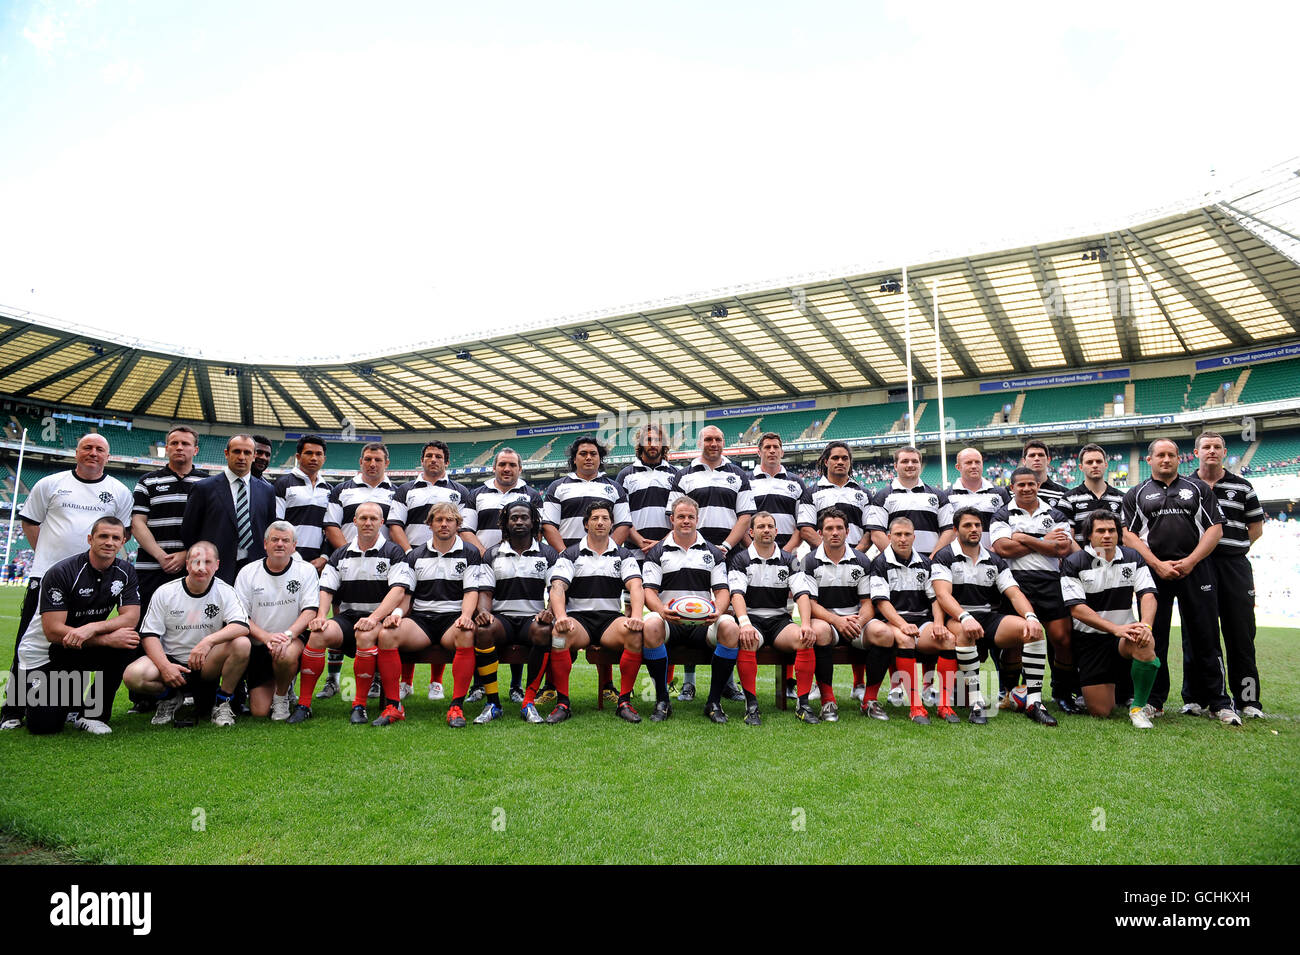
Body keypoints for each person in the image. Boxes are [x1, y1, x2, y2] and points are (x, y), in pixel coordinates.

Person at [1, 433, 134, 729]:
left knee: (77, 642)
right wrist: (48, 560)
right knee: (30, 641)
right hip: (49, 577)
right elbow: (31, 521)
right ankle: (12, 710)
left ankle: (74, 706)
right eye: (87, 447)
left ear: (108, 457)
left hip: (94, 580)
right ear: (76, 452)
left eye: (100, 449)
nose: (93, 453)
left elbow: (122, 532)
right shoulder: (50, 484)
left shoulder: (119, 491)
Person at [1122, 438, 1235, 724]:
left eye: (1171, 454)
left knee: (1206, 636)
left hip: (1196, 571)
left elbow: (1215, 530)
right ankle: (1154, 702)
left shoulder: (1198, 489)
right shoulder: (1136, 494)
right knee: (1153, 636)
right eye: (1160, 454)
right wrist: (1157, 564)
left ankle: (1219, 702)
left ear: (1178, 459)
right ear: (1149, 460)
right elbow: (1129, 536)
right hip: (1153, 573)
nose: (1166, 459)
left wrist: (1191, 561)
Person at [930, 506, 1057, 726]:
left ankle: (1035, 703)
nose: (974, 529)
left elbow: (1014, 593)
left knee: (1033, 632)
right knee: (964, 633)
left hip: (989, 617)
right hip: (958, 617)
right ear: (955, 529)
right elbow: (942, 595)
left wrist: (1031, 616)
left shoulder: (995, 559)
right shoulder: (944, 556)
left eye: (977, 525)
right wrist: (964, 617)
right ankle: (976, 702)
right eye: (967, 525)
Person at [14, 517, 140, 735]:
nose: (109, 542)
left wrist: (91, 628)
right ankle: (47, 695)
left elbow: (130, 618)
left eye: (115, 538)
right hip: (46, 652)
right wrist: (104, 638)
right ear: (90, 539)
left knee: (127, 642)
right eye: (103, 536)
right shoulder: (62, 572)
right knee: (44, 726)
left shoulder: (126, 571)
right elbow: (53, 631)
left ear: (123, 542)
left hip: (82, 643)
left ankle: (92, 714)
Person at [289, 502, 411, 725]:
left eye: (373, 519)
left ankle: (359, 705)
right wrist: (321, 616)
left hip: (378, 619)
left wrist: (374, 619)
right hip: (347, 617)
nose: (368, 523)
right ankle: (304, 704)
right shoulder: (340, 554)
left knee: (364, 636)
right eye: (363, 518)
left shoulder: (394, 552)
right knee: (318, 635)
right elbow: (326, 588)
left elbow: (398, 591)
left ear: (381, 523)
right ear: (354, 521)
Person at [371, 502, 482, 727]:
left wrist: (466, 615)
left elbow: (471, 592)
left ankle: (456, 707)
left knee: (466, 633)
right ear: (429, 524)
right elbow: (407, 594)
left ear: (458, 524)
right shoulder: (415, 555)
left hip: (452, 618)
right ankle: (394, 706)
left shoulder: (470, 553)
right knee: (387, 634)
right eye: (438, 520)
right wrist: (398, 614)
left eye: (449, 520)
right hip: (421, 620)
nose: (444, 524)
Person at [665, 424, 753, 701]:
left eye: (718, 439)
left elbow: (745, 516)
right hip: (692, 550)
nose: (713, 443)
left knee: (723, 614)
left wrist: (726, 546)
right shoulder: (684, 475)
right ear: (700, 442)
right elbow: (675, 514)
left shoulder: (738, 474)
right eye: (708, 439)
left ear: (723, 443)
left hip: (729, 553)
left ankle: (727, 682)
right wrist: (694, 544)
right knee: (692, 606)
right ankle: (689, 682)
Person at [541, 435, 631, 703]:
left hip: (602, 564)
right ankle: (551, 686)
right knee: (560, 621)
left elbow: (624, 524)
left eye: (593, 453)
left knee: (605, 614)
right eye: (583, 453)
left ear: (600, 458)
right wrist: (566, 557)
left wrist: (602, 553)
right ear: (575, 458)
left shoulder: (615, 488)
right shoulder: (558, 487)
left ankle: (608, 685)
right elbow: (548, 525)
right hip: (568, 564)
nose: (589, 457)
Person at [123, 541, 251, 727]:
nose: (201, 568)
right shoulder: (166, 592)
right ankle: (169, 698)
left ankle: (222, 702)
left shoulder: (225, 591)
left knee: (242, 644)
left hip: (207, 662)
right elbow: (149, 635)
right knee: (133, 675)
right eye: (195, 562)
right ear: (187, 564)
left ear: (217, 565)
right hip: (172, 660)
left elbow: (241, 626)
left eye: (207, 562)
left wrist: (208, 641)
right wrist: (165, 666)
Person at [386, 439, 473, 700]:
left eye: (438, 456)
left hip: (448, 557)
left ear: (447, 461)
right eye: (428, 456)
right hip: (417, 557)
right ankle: (406, 682)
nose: (433, 460)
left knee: (444, 605)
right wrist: (411, 551)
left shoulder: (461, 492)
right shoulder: (405, 490)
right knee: (410, 609)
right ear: (422, 460)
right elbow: (395, 524)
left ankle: (437, 682)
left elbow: (466, 529)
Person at [640, 496, 739, 723]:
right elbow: (649, 592)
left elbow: (722, 590)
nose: (686, 521)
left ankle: (714, 702)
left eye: (690, 517)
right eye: (681, 517)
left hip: (703, 623)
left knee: (730, 627)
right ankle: (662, 700)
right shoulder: (657, 552)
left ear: (697, 519)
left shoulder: (713, 552)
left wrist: (719, 611)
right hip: (670, 621)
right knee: (652, 623)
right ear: (672, 519)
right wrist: (662, 611)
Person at [990, 466, 1081, 715]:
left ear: (1038, 485)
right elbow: (1003, 549)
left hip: (1051, 581)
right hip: (1015, 582)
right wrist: (1043, 540)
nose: (1027, 488)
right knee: (1016, 641)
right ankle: (1011, 692)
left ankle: (1062, 694)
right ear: (1012, 488)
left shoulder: (1055, 514)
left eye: (1031, 484)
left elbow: (1061, 549)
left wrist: (1023, 537)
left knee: (1062, 638)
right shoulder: (1001, 515)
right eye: (1021, 485)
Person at [1059, 510, 1161, 728]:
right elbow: (1077, 609)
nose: (1107, 535)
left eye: (1112, 530)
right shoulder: (1074, 562)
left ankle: (1138, 708)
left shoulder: (1133, 557)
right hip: (1091, 641)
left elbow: (1148, 594)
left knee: (1144, 639)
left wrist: (1146, 626)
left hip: (1123, 636)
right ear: (1089, 535)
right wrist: (1114, 628)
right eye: (1101, 531)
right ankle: (1117, 687)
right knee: (1101, 711)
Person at [548, 501, 646, 723]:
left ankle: (624, 702)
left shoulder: (624, 555)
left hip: (610, 619)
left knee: (634, 634)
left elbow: (635, 586)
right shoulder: (569, 554)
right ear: (585, 524)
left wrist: (637, 616)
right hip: (579, 619)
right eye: (595, 518)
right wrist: (561, 616)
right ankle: (563, 702)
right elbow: (558, 587)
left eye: (605, 518)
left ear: (612, 524)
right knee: (558, 637)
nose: (600, 522)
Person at [462, 447, 545, 702]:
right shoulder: (476, 493)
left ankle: (517, 686)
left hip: (519, 560)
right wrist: (489, 553)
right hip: (486, 561)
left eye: (512, 465)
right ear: (494, 467)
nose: (506, 469)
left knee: (520, 609)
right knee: (485, 620)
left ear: (520, 469)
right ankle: (479, 685)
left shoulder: (531, 494)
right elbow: (466, 528)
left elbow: (537, 529)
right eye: (502, 465)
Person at [1193, 430, 1265, 718]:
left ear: (1224, 452)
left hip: (1234, 565)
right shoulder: (1186, 486)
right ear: (1196, 452)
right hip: (1200, 566)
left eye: (1217, 447)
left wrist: (1233, 549)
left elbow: (1255, 529)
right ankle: (1202, 698)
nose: (1211, 450)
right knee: (1200, 634)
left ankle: (1248, 700)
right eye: (1206, 446)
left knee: (1241, 634)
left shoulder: (1243, 486)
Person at [317, 442, 397, 698]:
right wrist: (351, 554)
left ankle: (375, 680)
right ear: (360, 461)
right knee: (341, 617)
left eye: (378, 460)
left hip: (381, 568)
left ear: (387, 463)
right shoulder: (342, 489)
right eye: (368, 459)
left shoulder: (395, 492)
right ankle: (333, 679)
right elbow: (331, 525)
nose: (372, 464)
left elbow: (396, 528)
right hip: (346, 565)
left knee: (378, 622)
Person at [727, 510, 818, 725]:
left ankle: (803, 704)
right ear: (751, 532)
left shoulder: (790, 560)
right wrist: (745, 624)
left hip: (780, 620)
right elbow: (736, 594)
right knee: (747, 639)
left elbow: (802, 594)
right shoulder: (740, 560)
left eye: (770, 526)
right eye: (760, 526)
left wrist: (805, 624)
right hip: (752, 619)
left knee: (804, 638)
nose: (766, 530)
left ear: (777, 531)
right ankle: (751, 706)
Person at [803, 440, 876, 699]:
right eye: (835, 458)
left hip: (856, 560)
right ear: (826, 460)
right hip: (823, 559)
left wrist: (854, 554)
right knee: (819, 617)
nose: (840, 462)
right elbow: (806, 528)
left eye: (845, 458)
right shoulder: (811, 492)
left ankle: (859, 684)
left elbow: (870, 530)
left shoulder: (864, 492)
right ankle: (817, 686)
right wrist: (827, 552)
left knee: (855, 611)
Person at [865, 516, 951, 724]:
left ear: (914, 536)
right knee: (905, 640)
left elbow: (936, 598)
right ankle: (916, 707)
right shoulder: (879, 563)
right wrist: (903, 625)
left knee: (948, 639)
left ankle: (945, 706)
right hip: (892, 622)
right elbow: (881, 602)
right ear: (889, 537)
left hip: (922, 621)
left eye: (906, 534)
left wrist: (939, 623)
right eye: (897, 534)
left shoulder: (926, 563)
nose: (902, 539)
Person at [478, 501, 558, 720]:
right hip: (502, 619)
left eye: (525, 517)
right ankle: (493, 703)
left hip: (530, 618)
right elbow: (485, 592)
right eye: (514, 518)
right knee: (484, 630)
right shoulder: (492, 554)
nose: (520, 521)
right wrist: (484, 612)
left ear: (533, 521)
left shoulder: (548, 554)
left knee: (543, 630)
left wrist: (549, 610)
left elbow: (556, 589)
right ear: (505, 522)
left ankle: (528, 701)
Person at [234, 521, 320, 720]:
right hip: (259, 643)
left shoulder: (306, 570)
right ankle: (277, 683)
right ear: (265, 544)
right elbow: (241, 615)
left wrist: (287, 636)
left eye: (285, 540)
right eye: (275, 540)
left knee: (285, 654)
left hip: (291, 641)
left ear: (293, 546)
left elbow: (310, 611)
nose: (280, 544)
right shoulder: (248, 572)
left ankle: (281, 695)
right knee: (259, 712)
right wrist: (266, 638)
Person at [802, 509, 874, 723]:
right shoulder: (809, 561)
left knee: (883, 633)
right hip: (828, 622)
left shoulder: (861, 561)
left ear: (848, 531)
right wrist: (837, 621)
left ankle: (870, 700)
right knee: (819, 631)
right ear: (820, 533)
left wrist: (859, 621)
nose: (835, 533)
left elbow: (869, 603)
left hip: (855, 622)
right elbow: (810, 604)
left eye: (839, 528)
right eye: (829, 529)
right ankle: (828, 700)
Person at [179, 434, 276, 585]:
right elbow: (189, 532)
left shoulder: (267, 491)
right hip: (214, 570)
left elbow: (269, 530)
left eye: (247, 452)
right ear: (226, 454)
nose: (242, 457)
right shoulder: (203, 488)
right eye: (237, 451)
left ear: (254, 456)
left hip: (255, 571)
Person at [131, 425, 208, 614]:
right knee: (146, 622)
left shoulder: (208, 484)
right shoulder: (147, 481)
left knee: (190, 623)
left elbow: (211, 526)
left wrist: (186, 554)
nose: (179, 447)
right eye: (174, 443)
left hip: (193, 567)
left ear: (195, 450)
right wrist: (161, 557)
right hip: (151, 567)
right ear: (167, 448)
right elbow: (137, 522)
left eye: (185, 443)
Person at [865, 446, 953, 558]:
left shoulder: (938, 495)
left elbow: (949, 531)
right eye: (905, 461)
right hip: (896, 566)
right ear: (896, 466)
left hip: (932, 564)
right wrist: (898, 560)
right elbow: (876, 534)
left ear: (920, 465)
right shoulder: (882, 496)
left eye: (915, 461)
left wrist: (933, 559)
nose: (910, 465)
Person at [614, 422, 678, 552]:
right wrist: (641, 542)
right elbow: (620, 515)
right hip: (634, 552)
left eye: (657, 440)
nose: (653, 444)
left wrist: (663, 543)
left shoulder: (676, 474)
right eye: (648, 440)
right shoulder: (625, 475)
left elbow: (682, 515)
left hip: (669, 551)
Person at [273, 435, 332, 571]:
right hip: (288, 558)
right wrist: (293, 554)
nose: (314, 458)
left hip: (318, 563)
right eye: (308, 453)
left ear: (324, 458)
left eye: (318, 454)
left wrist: (324, 557)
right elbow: (277, 524)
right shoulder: (283, 484)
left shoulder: (329, 489)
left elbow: (330, 528)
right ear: (298, 457)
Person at [748, 432, 811, 553]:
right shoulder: (746, 481)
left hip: (788, 554)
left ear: (782, 452)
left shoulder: (797, 482)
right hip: (753, 554)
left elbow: (802, 524)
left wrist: (785, 553)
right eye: (767, 447)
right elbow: (742, 521)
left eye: (776, 447)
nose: (772, 451)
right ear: (759, 452)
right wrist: (752, 550)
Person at [1059, 444, 1126, 547]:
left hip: (1116, 561)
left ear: (1106, 464)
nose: (1095, 465)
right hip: (1081, 561)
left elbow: (1125, 535)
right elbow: (1068, 538)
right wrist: (1083, 560)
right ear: (1081, 467)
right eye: (1089, 462)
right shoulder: (1068, 499)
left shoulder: (1122, 498)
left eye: (1099, 461)